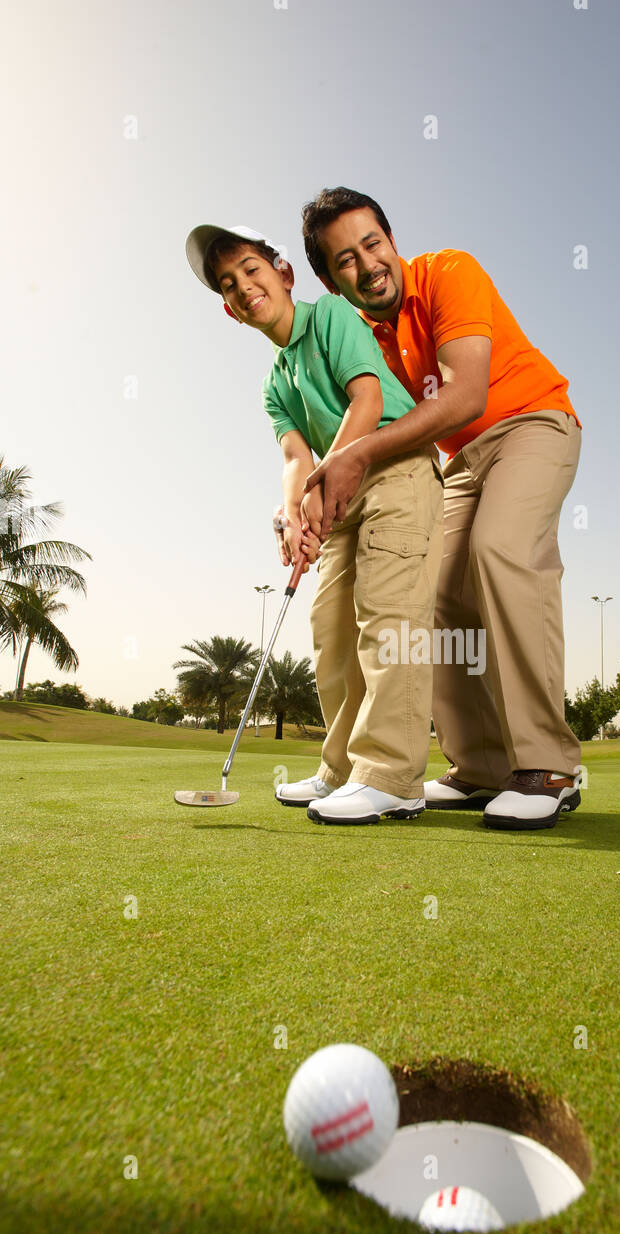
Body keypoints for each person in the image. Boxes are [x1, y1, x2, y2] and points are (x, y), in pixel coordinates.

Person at [296, 187, 583, 831]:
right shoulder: (367, 333)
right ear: (328, 278)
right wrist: (317, 490)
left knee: (499, 552)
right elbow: (372, 416)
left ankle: (549, 765)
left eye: (373, 244)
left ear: (392, 242)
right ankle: (479, 765)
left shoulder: (451, 270)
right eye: (345, 260)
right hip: (460, 460)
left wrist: (357, 455)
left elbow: (465, 397)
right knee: (437, 590)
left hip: (534, 423)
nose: (367, 265)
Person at [185, 222, 443, 825]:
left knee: (388, 618)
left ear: (284, 274)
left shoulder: (329, 314)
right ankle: (341, 768)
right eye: (229, 284)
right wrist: (290, 511)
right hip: (343, 492)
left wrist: (317, 490)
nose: (245, 287)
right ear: (229, 311)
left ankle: (392, 777)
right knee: (331, 630)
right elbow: (296, 459)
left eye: (251, 269)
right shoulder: (274, 383)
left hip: (397, 470)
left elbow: (368, 402)